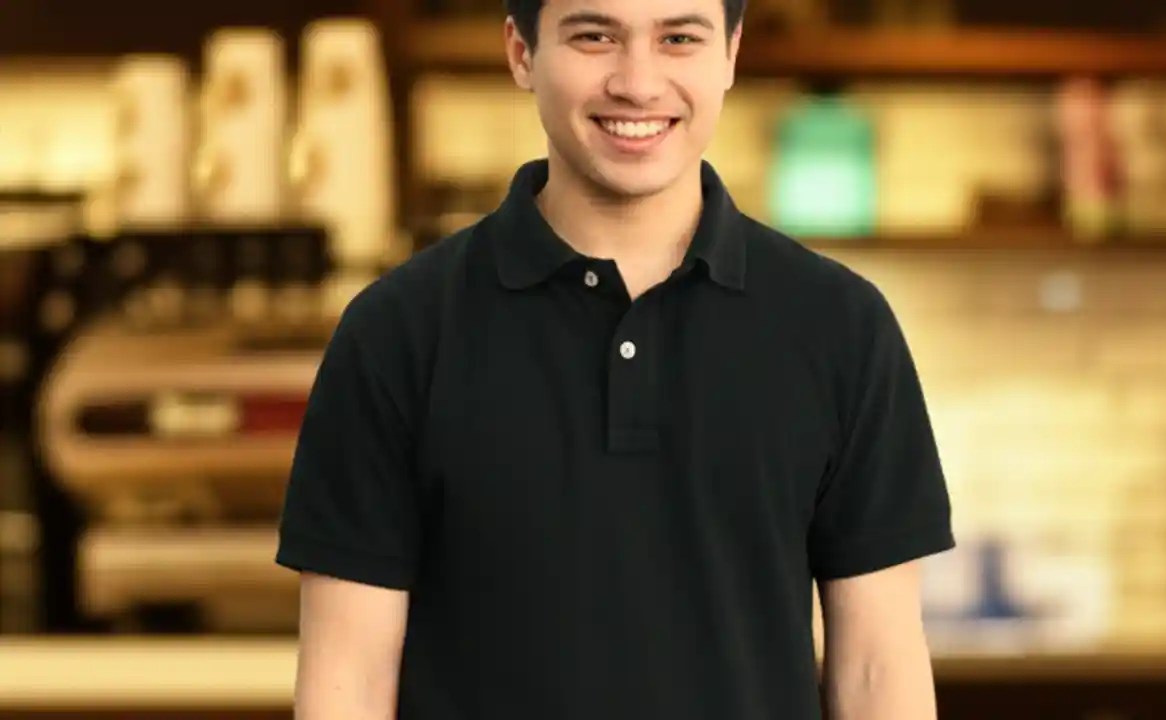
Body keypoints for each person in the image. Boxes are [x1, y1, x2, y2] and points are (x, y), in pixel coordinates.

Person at [274, 0, 955, 717]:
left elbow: (880, 667)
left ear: (729, 53)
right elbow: (347, 674)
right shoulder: (395, 332)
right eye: (595, 36)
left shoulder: (841, 327)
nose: (637, 82)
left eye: (679, 38)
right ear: (522, 53)